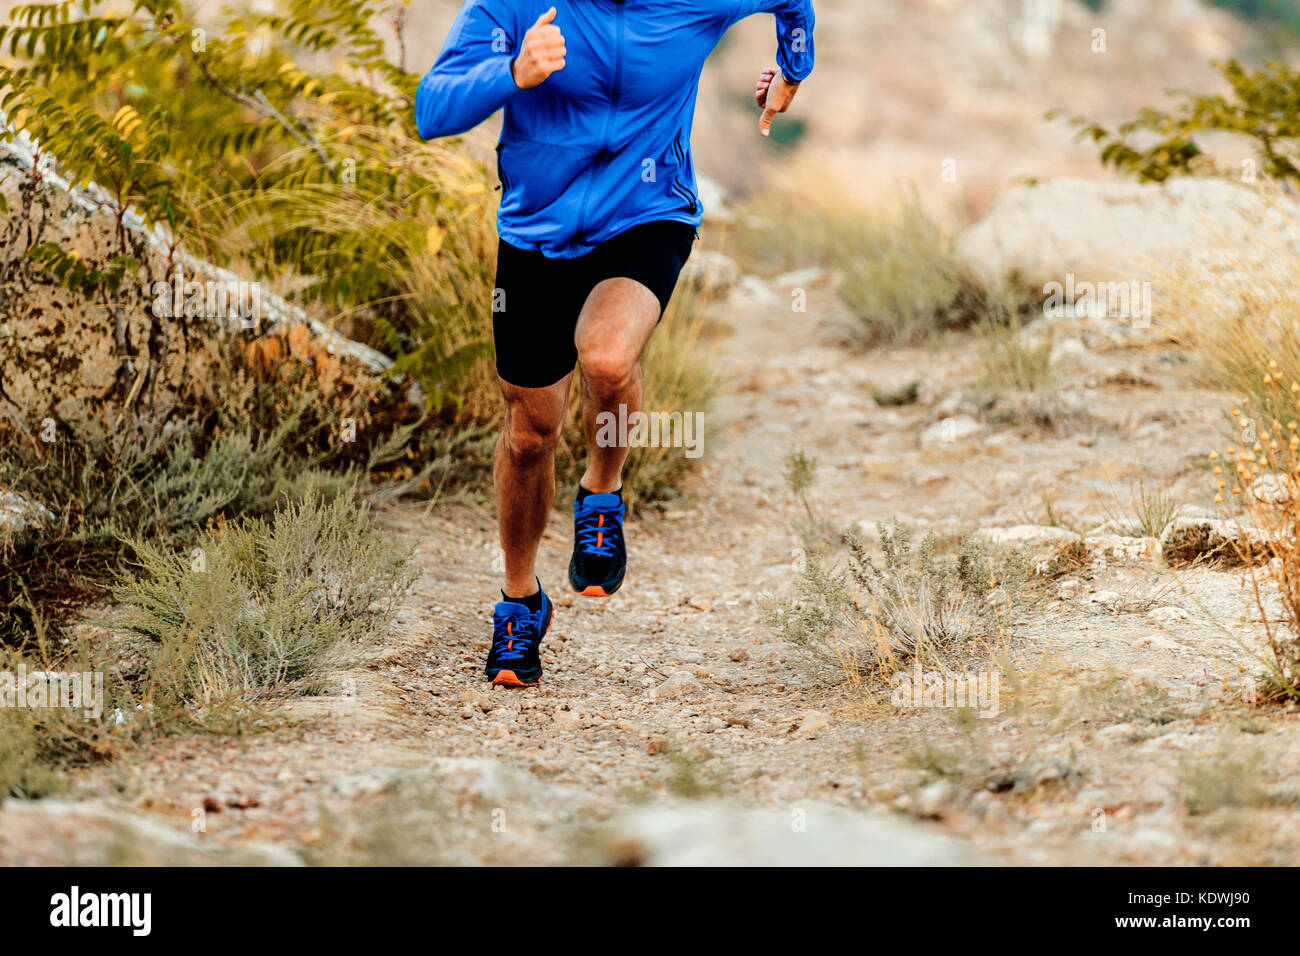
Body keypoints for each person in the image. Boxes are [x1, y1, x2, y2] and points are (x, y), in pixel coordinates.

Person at [415, 0, 815, 687]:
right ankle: (520, 600)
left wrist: (793, 70)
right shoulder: (517, 5)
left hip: (647, 213)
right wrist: (512, 72)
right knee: (531, 432)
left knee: (606, 355)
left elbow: (793, 4)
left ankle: (602, 488)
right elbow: (432, 109)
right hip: (536, 236)